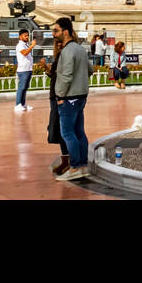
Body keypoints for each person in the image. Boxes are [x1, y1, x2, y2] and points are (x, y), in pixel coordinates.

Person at [53, 16, 92, 181]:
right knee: (79, 132)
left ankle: (75, 167)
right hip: (81, 96)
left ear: (66, 31)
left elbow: (66, 75)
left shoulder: (68, 51)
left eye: (56, 30)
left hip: (69, 98)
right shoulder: (80, 49)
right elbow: (90, 70)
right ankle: (83, 165)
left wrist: (59, 95)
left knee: (68, 133)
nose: (53, 34)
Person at [46, 23, 71, 176]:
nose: (58, 45)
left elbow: (64, 77)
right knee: (57, 129)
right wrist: (47, 69)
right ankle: (65, 160)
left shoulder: (65, 55)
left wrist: (60, 97)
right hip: (55, 95)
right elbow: (56, 77)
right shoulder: (59, 56)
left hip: (59, 97)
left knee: (62, 130)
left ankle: (69, 161)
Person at [14, 28, 35, 112]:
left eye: (27, 36)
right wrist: (32, 46)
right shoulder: (20, 45)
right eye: (25, 36)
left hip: (28, 69)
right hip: (23, 70)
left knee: (25, 87)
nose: (27, 37)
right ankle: (18, 104)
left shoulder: (25, 44)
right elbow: (25, 53)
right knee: (21, 87)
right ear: (20, 36)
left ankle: (23, 104)